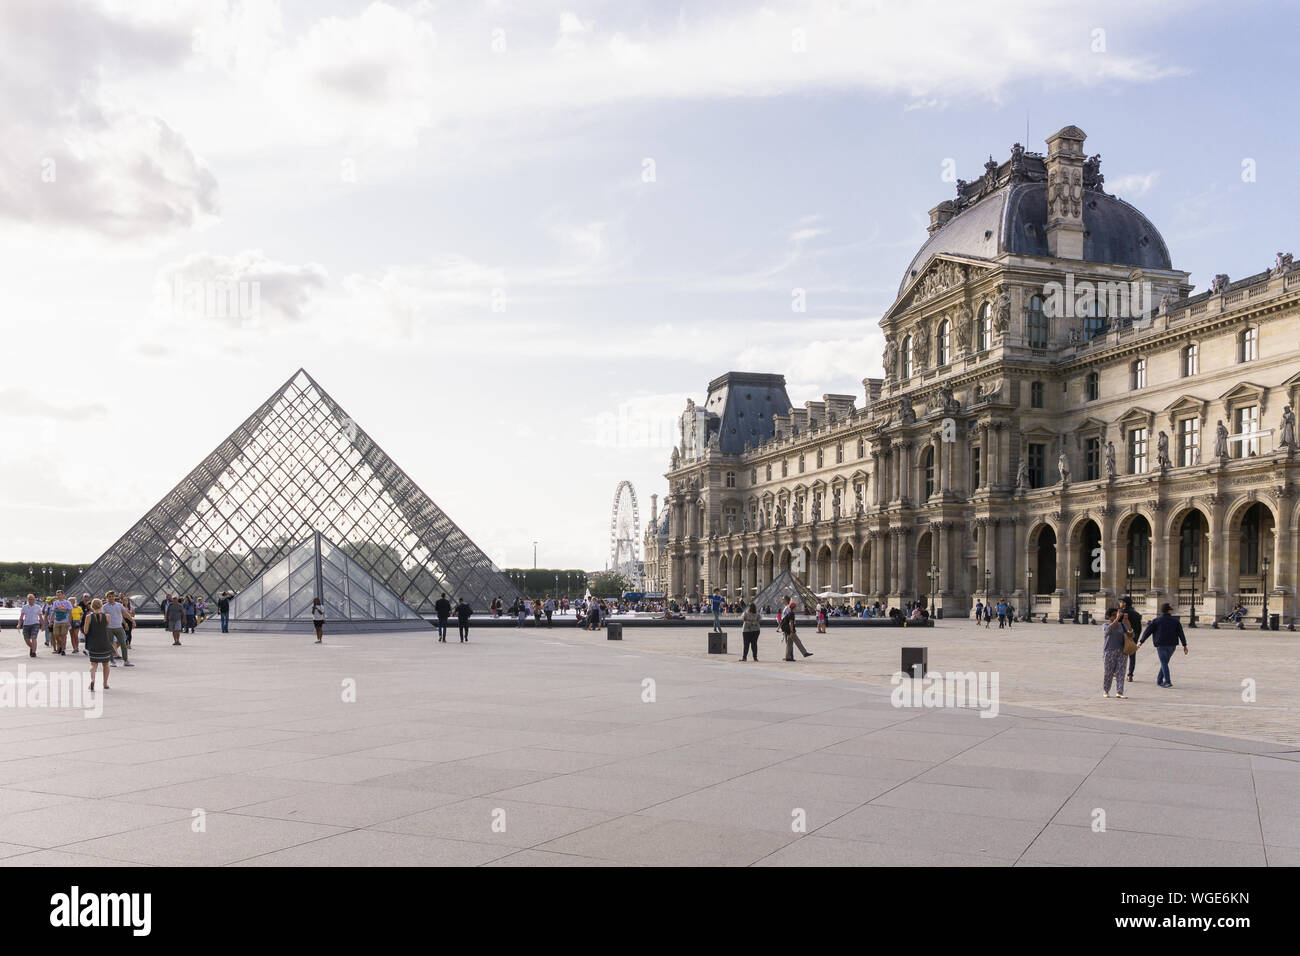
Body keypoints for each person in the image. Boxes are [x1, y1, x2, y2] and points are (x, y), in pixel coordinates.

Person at [1137, 603, 1188, 688]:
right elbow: (1181, 633)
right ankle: (1159, 680)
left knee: (1164, 662)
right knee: (1165, 662)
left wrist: (1141, 641)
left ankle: (1167, 681)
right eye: (1171, 609)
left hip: (1161, 644)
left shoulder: (1157, 620)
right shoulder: (1175, 621)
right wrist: (1184, 645)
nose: (1172, 610)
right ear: (1168, 610)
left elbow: (1148, 631)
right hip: (1172, 645)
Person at [1101, 606, 1132, 699]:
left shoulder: (1122, 625)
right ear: (1109, 617)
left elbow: (1131, 635)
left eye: (1117, 615)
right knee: (1108, 672)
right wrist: (1118, 618)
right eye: (1113, 615)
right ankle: (1106, 690)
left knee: (1121, 672)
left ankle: (1119, 692)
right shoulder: (1105, 625)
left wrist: (1128, 623)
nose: (1116, 616)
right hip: (1109, 651)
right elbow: (1108, 631)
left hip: (1122, 652)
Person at [84, 598, 113, 692]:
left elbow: (85, 631)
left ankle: (92, 680)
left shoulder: (89, 617)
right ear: (101, 606)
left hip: (93, 643)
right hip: (104, 642)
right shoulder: (107, 616)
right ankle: (105, 683)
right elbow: (107, 626)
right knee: (106, 664)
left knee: (93, 664)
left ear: (92, 606)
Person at [104, 591, 135, 666]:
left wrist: (132, 621)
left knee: (123, 644)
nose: (111, 598)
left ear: (114, 597)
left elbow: (125, 614)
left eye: (112, 596)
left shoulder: (119, 605)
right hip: (109, 628)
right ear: (107, 598)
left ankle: (126, 660)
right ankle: (112, 661)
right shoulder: (104, 607)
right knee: (110, 645)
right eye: (109, 596)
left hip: (119, 627)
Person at [779, 597, 812, 661]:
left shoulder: (788, 610)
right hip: (790, 630)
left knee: (789, 643)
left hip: (787, 629)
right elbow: (791, 622)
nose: (797, 608)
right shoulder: (791, 613)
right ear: (793, 607)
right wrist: (791, 631)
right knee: (797, 641)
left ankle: (788, 657)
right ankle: (804, 653)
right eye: (796, 607)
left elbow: (784, 620)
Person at [1119, 596, 1142, 681]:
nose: (1120, 603)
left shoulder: (1122, 613)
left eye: (1121, 602)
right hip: (1133, 637)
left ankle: (1118, 672)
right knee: (1132, 656)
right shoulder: (1136, 613)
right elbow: (1139, 628)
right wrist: (1136, 638)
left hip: (1122, 637)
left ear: (1124, 603)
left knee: (1120, 655)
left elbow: (1118, 626)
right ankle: (1130, 675)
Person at [48, 589, 72, 655]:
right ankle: (61, 645)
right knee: (56, 635)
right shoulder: (55, 603)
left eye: (60, 595)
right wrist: (50, 621)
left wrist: (69, 622)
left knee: (63, 635)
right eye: (57, 595)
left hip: (65, 621)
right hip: (57, 621)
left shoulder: (67, 603)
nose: (59, 596)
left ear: (63, 595)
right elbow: (53, 612)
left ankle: (63, 650)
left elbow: (70, 613)